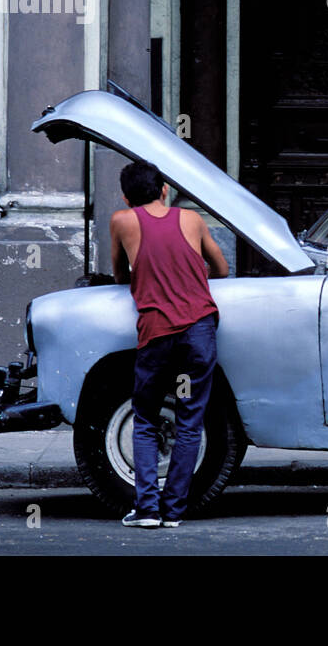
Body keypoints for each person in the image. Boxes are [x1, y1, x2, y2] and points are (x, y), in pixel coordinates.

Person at [109, 160, 229, 528]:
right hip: (199, 331)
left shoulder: (122, 221)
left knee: (145, 418)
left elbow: (119, 273)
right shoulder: (191, 220)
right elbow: (221, 269)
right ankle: (174, 511)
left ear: (126, 197)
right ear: (164, 190)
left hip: (157, 332)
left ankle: (147, 510)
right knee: (190, 420)